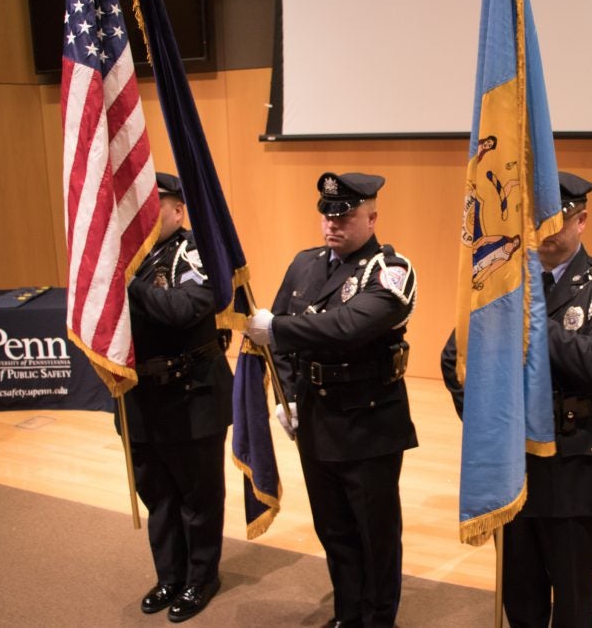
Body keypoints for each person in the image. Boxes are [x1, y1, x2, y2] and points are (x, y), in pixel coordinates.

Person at [441, 172, 592, 628]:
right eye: (536, 220)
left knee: (572, 600)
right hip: (514, 464)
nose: (544, 231)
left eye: (557, 220)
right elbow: (455, 359)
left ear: (581, 221)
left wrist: (530, 316)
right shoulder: (498, 282)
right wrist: (485, 421)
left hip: (576, 464)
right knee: (520, 597)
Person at [247, 172, 418, 628]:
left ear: (372, 218)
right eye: (326, 215)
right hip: (315, 416)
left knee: (374, 532)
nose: (332, 225)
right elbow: (279, 343)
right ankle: (348, 614)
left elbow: (346, 327)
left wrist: (277, 329)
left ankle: (378, 619)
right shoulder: (305, 264)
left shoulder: (391, 271)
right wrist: (287, 396)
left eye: (344, 217)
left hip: (368, 423)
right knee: (334, 528)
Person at [118, 173, 233, 622]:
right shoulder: (121, 258)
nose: (142, 215)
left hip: (190, 395)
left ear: (178, 211)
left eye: (154, 206)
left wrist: (126, 282)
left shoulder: (198, 252)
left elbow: (184, 309)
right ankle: (169, 576)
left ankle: (201, 578)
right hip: (138, 396)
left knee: (197, 497)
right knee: (157, 495)